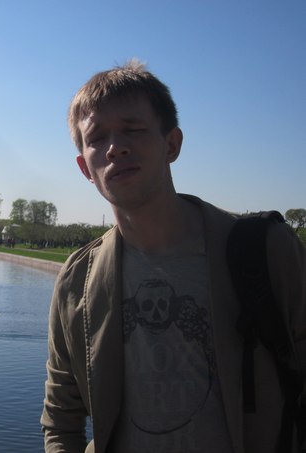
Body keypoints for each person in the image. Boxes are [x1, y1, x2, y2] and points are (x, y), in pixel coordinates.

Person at [40, 59, 306, 453]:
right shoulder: (76, 280)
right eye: (96, 138)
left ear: (172, 144)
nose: (115, 148)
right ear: (84, 167)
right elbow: (61, 419)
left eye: (133, 129)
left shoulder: (268, 250)